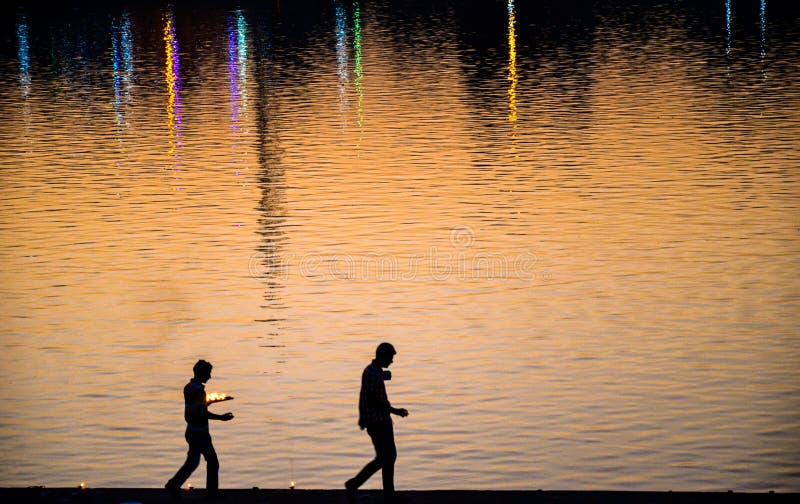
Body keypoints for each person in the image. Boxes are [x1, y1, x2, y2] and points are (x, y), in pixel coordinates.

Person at [345, 343, 409, 504]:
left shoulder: (371, 371)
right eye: (391, 358)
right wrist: (396, 411)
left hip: (375, 421)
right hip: (379, 422)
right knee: (385, 457)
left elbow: (363, 395)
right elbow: (376, 400)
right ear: (383, 356)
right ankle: (355, 484)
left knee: (386, 457)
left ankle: (387, 494)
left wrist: (362, 417)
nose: (392, 361)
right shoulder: (373, 374)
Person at [165, 360, 234, 501]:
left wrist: (210, 402)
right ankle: (212, 494)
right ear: (201, 374)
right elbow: (202, 413)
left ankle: (173, 485)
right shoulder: (199, 391)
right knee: (213, 462)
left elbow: (197, 407)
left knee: (192, 462)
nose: (209, 376)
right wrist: (221, 417)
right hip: (200, 434)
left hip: (190, 431)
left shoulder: (188, 387)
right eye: (208, 373)